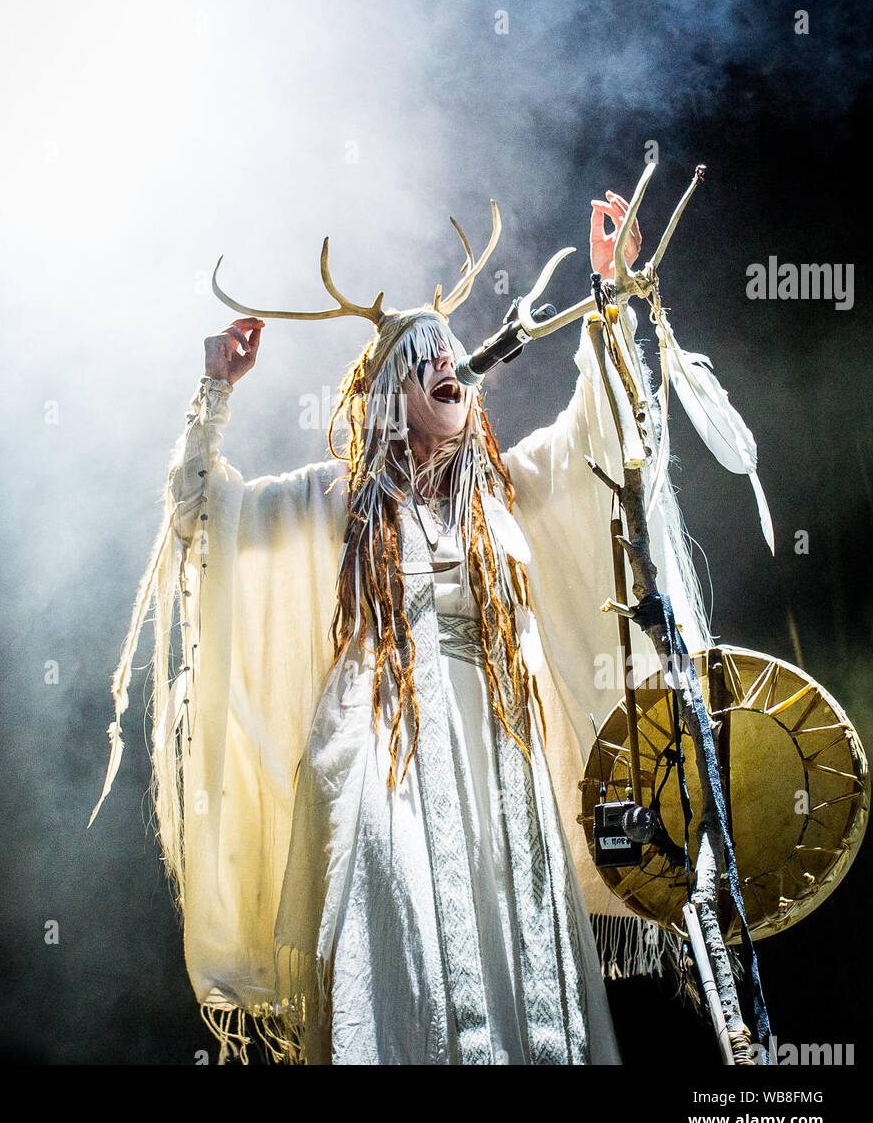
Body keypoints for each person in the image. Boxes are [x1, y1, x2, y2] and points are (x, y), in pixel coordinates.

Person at [90, 190, 711, 1065]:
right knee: (391, 908)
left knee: (517, 941)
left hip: (499, 751)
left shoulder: (508, 490)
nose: (449, 365)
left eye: (454, 356)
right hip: (378, 742)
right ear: (390, 394)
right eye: (425, 360)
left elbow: (602, 435)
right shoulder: (335, 500)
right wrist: (213, 390)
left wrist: (607, 303)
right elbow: (204, 517)